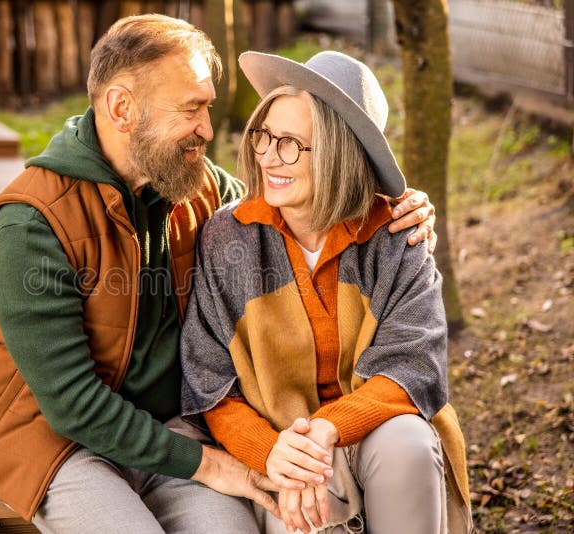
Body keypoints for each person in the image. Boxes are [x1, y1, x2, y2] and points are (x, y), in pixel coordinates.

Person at [0, 15, 438, 533]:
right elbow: (72, 404)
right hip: (58, 444)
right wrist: (212, 465)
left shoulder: (197, 188)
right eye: (191, 109)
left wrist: (394, 208)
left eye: (208, 107)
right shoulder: (30, 225)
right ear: (122, 109)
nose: (209, 129)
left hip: (175, 431)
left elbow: (296, 195)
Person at [180, 50, 472, 534]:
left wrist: (327, 428)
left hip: (371, 434)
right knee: (298, 500)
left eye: (291, 144)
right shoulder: (228, 239)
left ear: (340, 154)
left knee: (409, 442)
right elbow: (209, 383)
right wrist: (276, 453)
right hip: (278, 445)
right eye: (264, 136)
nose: (268, 157)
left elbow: (413, 365)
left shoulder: (397, 236)